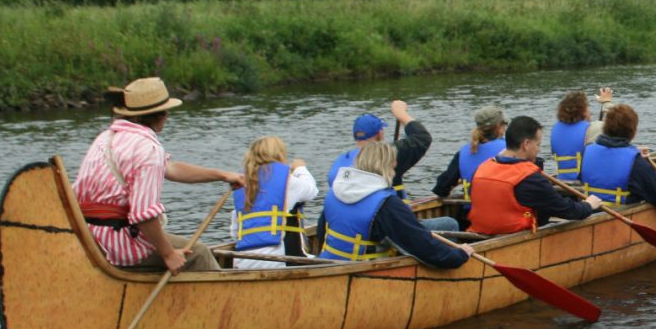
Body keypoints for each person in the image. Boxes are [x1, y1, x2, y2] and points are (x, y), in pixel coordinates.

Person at [73, 77, 243, 274]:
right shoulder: (147, 149)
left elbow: (170, 169)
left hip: (89, 236)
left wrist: (222, 175)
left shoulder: (106, 138)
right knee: (199, 254)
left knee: (181, 248)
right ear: (160, 115)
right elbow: (143, 215)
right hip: (119, 243)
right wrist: (168, 254)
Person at [317, 143, 473, 269]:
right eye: (393, 167)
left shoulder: (334, 193)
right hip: (362, 271)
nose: (394, 170)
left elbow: (320, 232)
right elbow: (421, 246)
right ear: (386, 166)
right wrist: (459, 255)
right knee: (448, 227)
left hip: (328, 262)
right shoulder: (386, 204)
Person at [468, 116, 601, 235]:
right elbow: (567, 210)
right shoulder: (529, 178)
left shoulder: (481, 168)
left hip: (478, 234)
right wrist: (588, 205)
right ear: (526, 144)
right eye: (537, 144)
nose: (539, 149)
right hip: (511, 238)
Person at [580, 104, 656, 211]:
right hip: (617, 213)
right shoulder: (635, 163)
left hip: (590, 210)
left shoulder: (587, 151)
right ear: (633, 132)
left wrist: (631, 150)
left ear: (605, 127)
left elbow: (609, 161)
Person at [229, 137, 319, 270]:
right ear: (280, 154)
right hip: (273, 260)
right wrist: (300, 168)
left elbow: (235, 233)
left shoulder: (241, 181)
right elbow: (312, 191)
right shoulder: (286, 180)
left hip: (242, 260)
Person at [327, 100, 432, 199]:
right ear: (380, 134)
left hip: (354, 214)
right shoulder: (386, 156)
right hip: (389, 214)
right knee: (446, 220)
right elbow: (422, 138)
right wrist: (401, 114)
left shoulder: (341, 162)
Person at [432, 105, 507, 200]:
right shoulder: (511, 148)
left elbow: (441, 189)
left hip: (471, 212)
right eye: (505, 124)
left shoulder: (463, 152)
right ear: (498, 126)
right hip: (503, 210)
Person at [550, 88, 613, 181]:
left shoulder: (555, 129)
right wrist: (607, 103)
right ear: (583, 110)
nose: (590, 112)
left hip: (562, 181)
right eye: (587, 108)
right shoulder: (590, 129)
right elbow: (614, 126)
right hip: (581, 183)